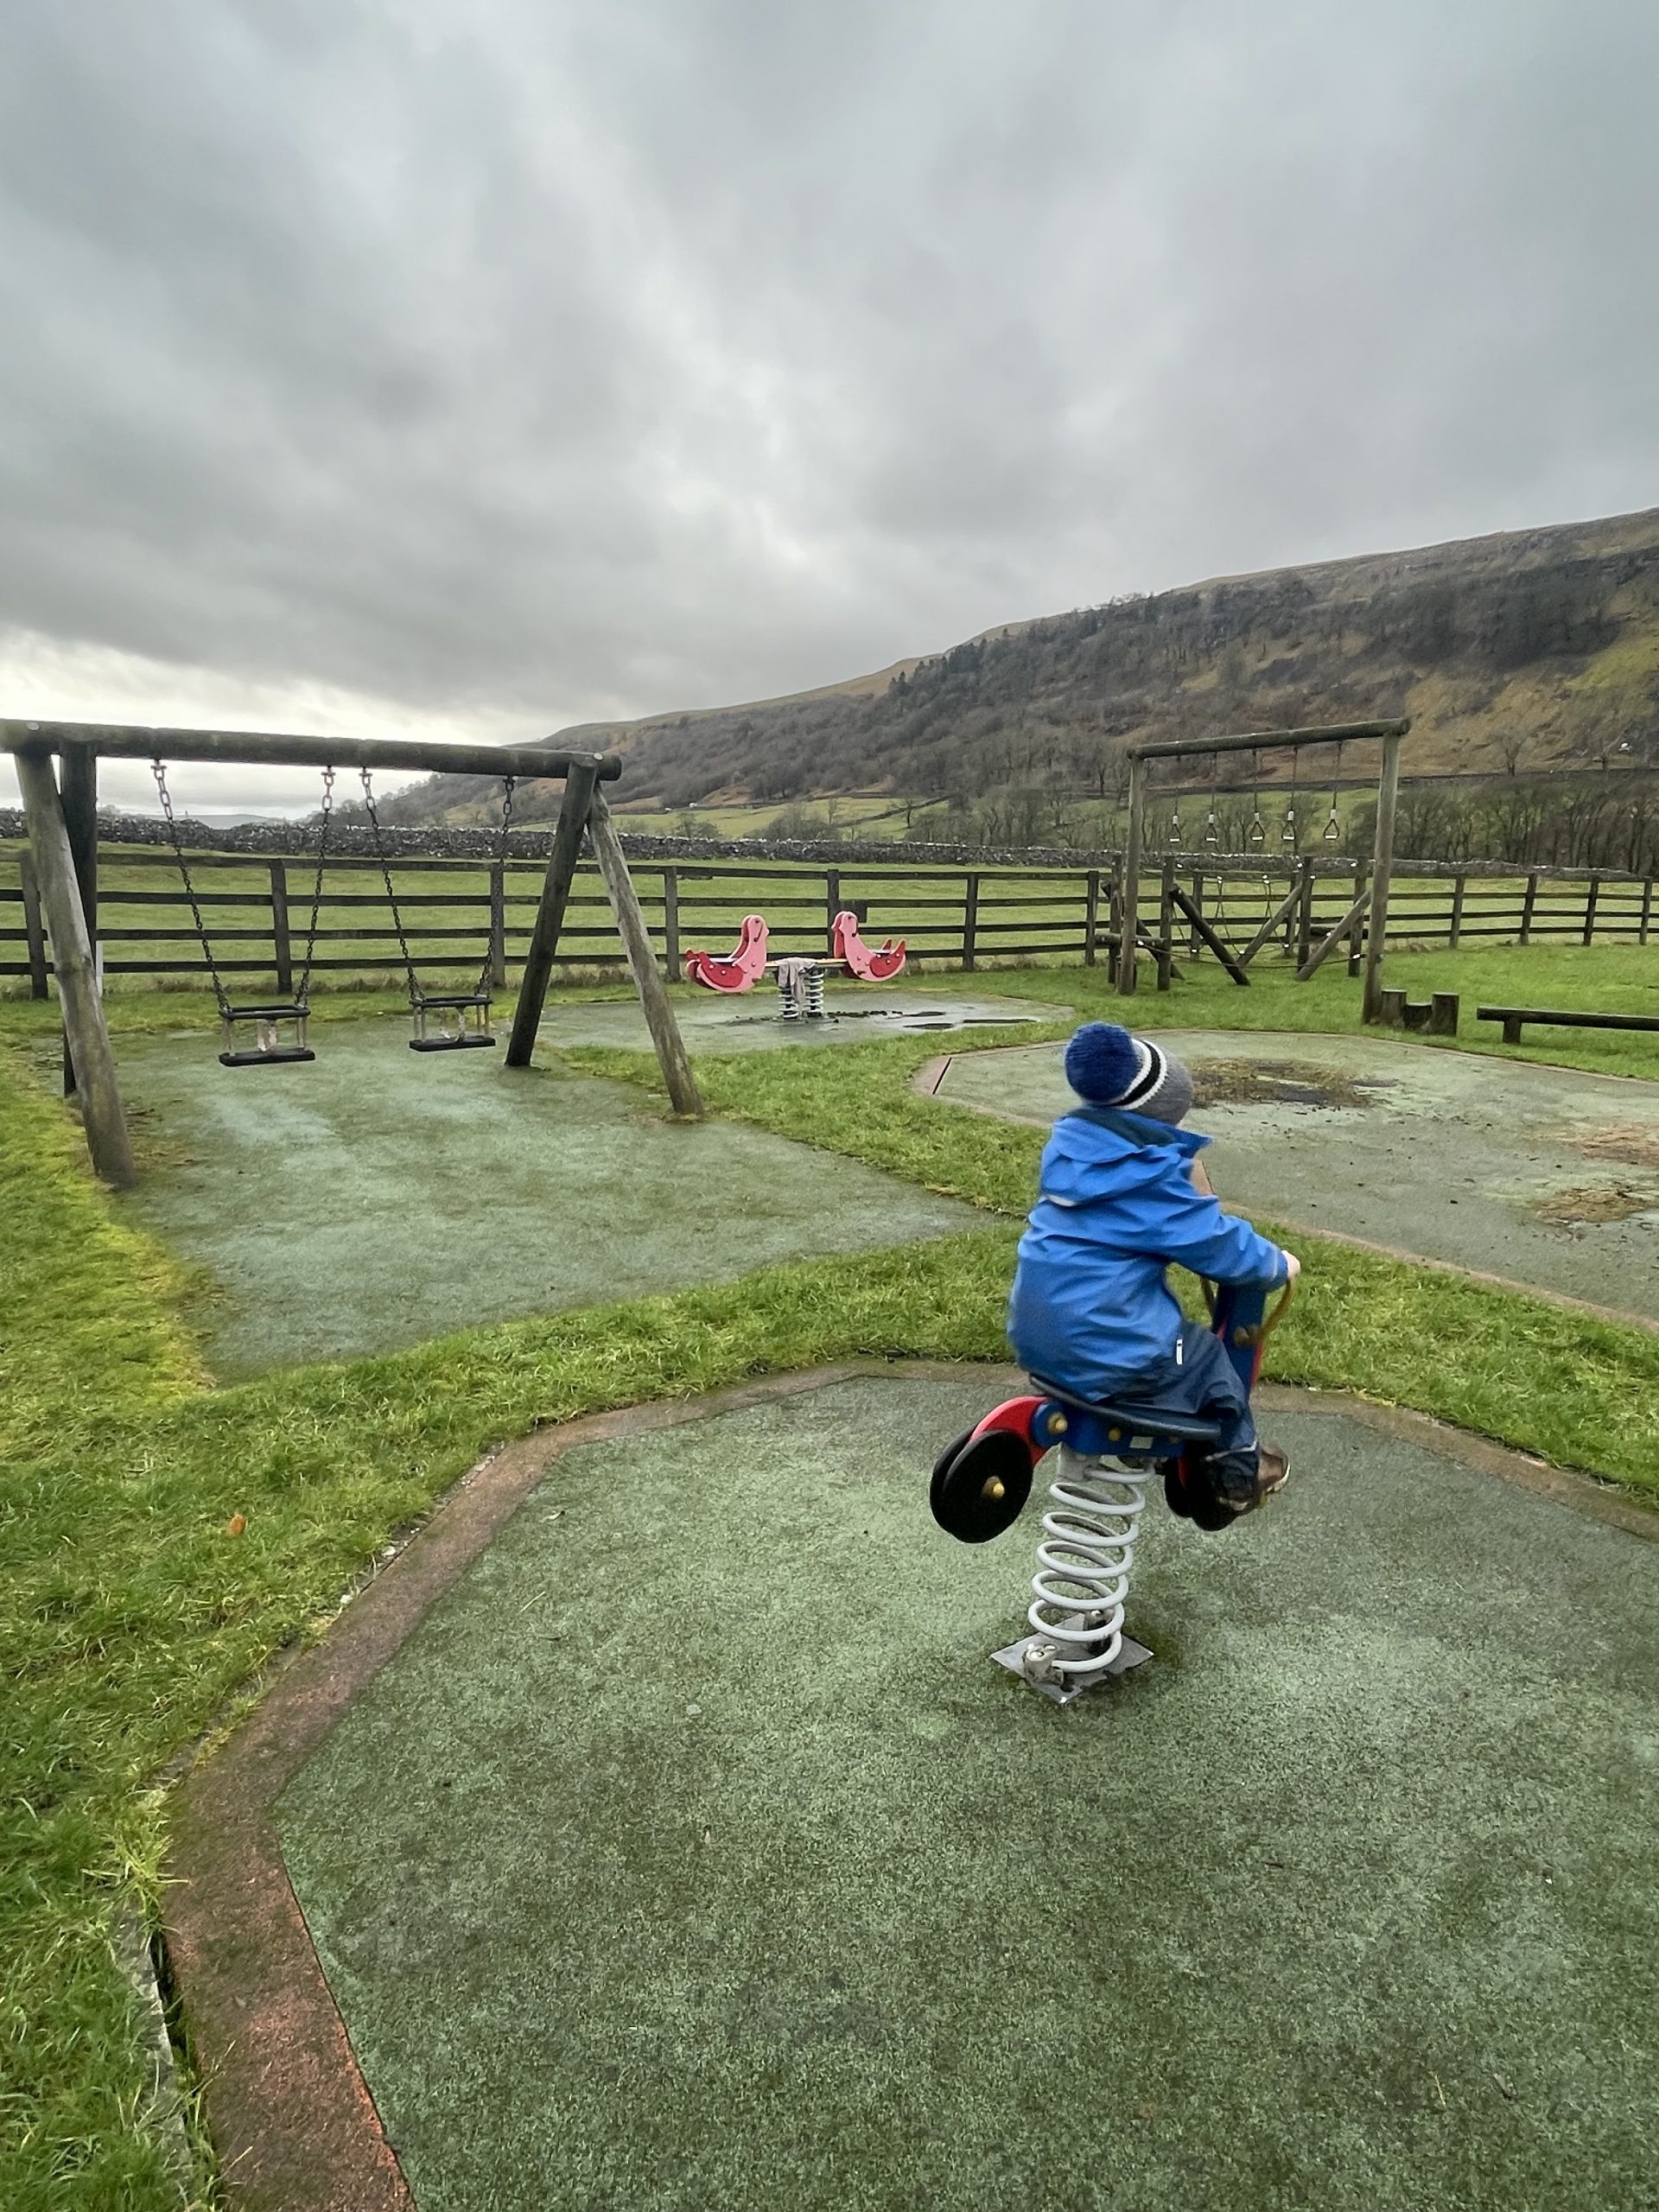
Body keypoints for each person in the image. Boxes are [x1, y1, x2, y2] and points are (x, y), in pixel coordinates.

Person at [1007, 1021, 1298, 1521]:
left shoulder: (1073, 1154)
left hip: (1037, 1336)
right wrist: (1276, 1263)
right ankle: (1237, 1472)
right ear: (1160, 1120)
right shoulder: (1149, 1178)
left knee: (1165, 1338)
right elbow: (1213, 1241)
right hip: (1109, 1347)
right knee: (1203, 1357)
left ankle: (1173, 1436)